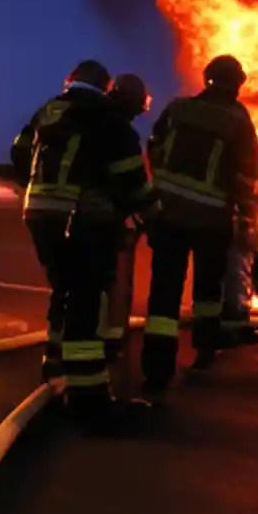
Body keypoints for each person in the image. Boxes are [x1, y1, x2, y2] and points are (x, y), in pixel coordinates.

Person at [10, 60, 161, 431]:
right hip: (81, 219)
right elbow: (132, 182)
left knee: (64, 287)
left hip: (38, 213)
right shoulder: (107, 118)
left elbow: (19, 152)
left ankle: (56, 366)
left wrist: (39, 189)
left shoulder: (49, 109)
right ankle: (90, 399)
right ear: (106, 87)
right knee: (85, 301)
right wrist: (155, 217)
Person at [141, 54, 258, 395]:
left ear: (207, 78)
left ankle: (156, 370)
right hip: (211, 218)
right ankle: (205, 349)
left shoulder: (178, 108)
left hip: (169, 215)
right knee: (208, 291)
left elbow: (154, 148)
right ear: (237, 85)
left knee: (164, 294)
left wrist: (164, 189)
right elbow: (251, 168)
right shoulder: (237, 120)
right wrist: (244, 207)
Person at [101, 73, 153, 362]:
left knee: (77, 285)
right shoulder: (121, 132)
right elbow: (134, 183)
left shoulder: (88, 120)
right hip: (107, 220)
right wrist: (154, 217)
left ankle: (65, 350)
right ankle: (109, 343)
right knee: (112, 281)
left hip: (75, 217)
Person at [218, 189, 258, 348]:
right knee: (237, 275)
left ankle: (233, 325)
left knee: (239, 274)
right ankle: (235, 328)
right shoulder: (239, 168)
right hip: (239, 224)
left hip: (239, 223)